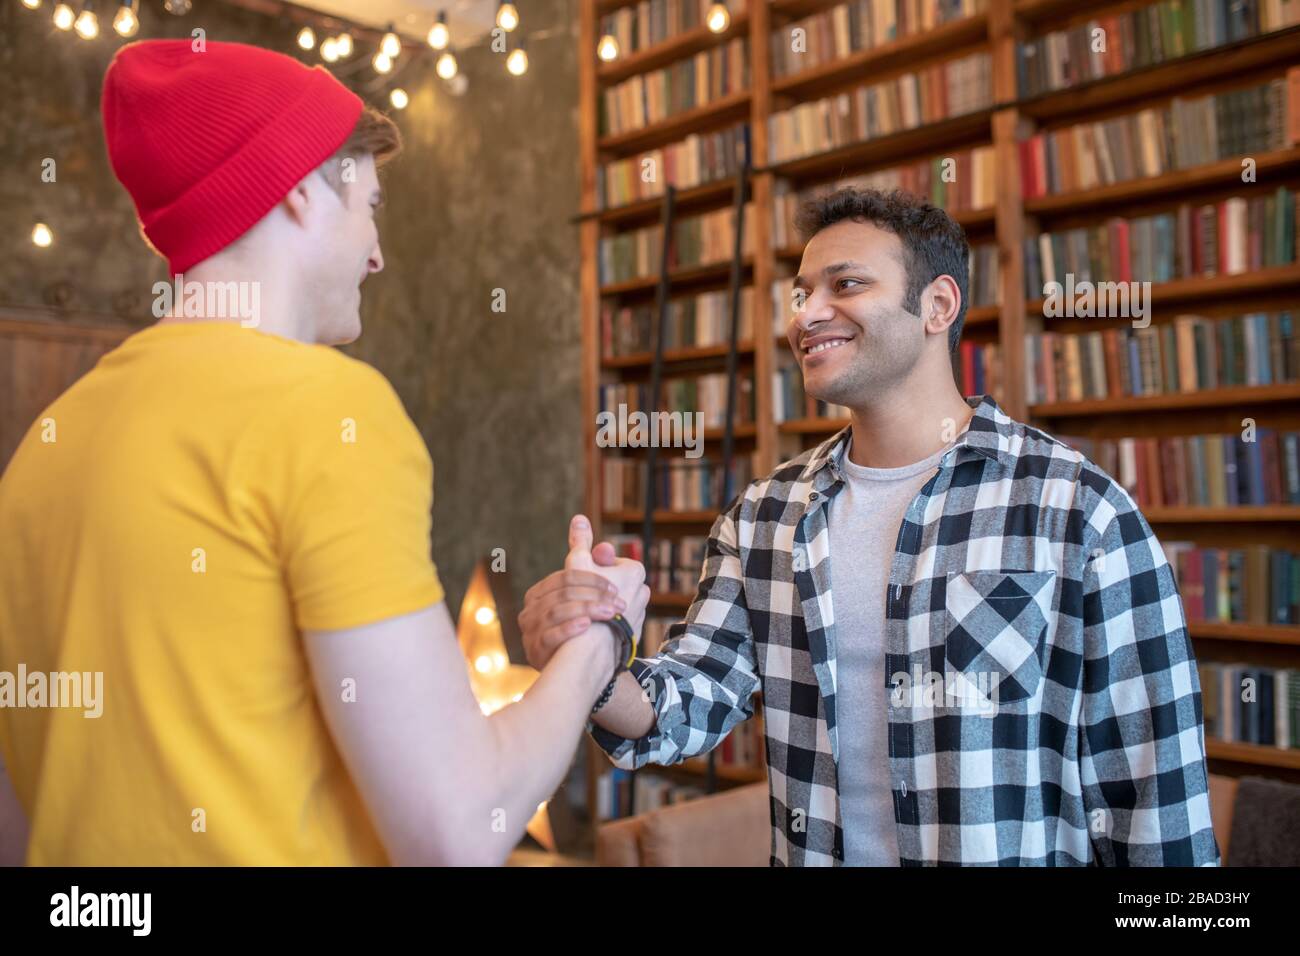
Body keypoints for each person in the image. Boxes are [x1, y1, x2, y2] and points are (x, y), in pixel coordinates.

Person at [0, 39, 645, 866]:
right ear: (302, 191)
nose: (378, 252)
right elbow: (459, 828)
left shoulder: (45, 449)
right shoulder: (324, 409)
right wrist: (601, 641)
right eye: (370, 205)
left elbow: (22, 826)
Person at [521, 188, 1219, 867]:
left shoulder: (1076, 509)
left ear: (937, 306)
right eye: (801, 294)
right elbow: (694, 695)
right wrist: (593, 658)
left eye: (845, 284)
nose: (806, 315)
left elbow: (1154, 791)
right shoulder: (763, 517)